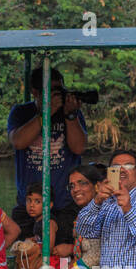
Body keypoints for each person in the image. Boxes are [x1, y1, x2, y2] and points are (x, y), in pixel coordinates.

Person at [72, 149, 136, 269]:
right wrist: (97, 201)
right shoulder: (105, 202)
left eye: (128, 166)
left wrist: (128, 210)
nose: (121, 170)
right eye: (115, 167)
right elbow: (84, 231)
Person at [7, 67, 88, 220]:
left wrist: (70, 115)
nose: (57, 94)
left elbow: (78, 148)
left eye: (60, 89)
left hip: (65, 202)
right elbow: (18, 141)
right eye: (51, 90)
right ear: (35, 92)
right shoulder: (21, 112)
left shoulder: (70, 113)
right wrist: (46, 112)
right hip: (30, 203)